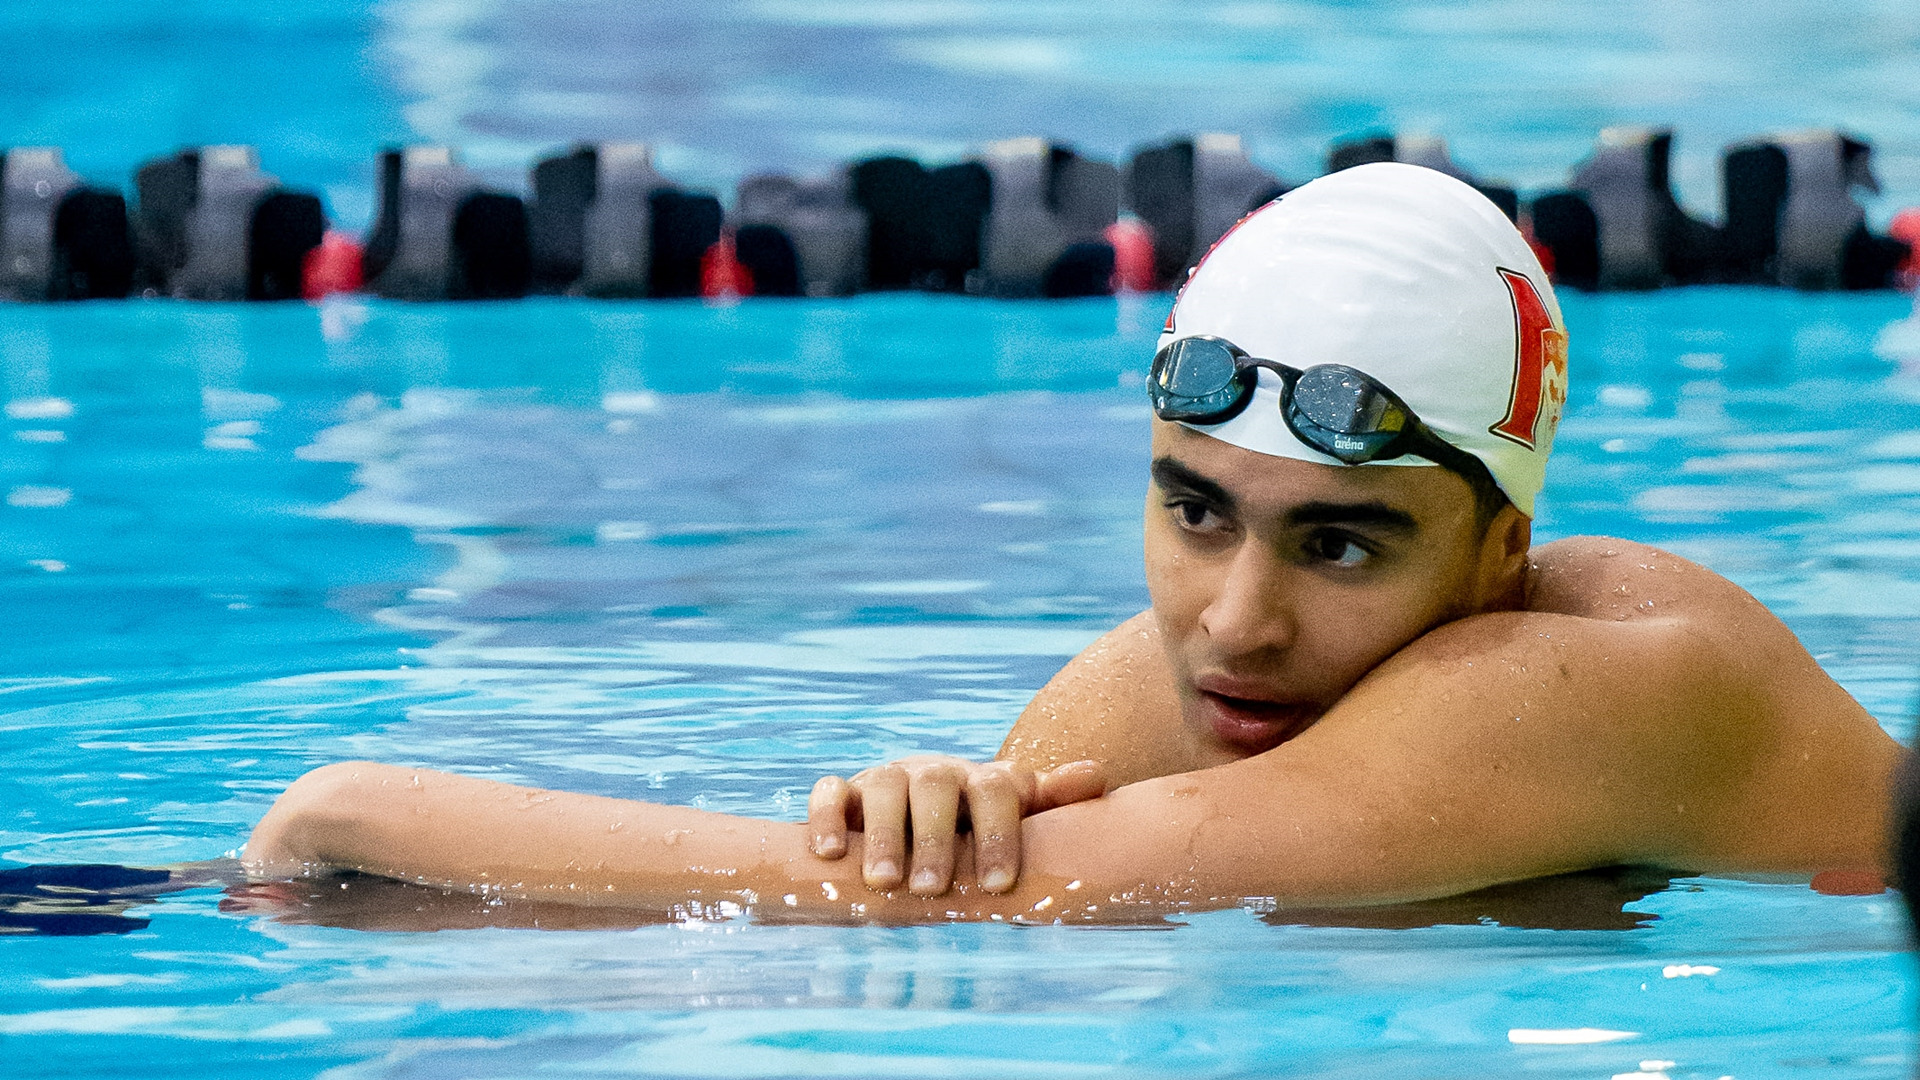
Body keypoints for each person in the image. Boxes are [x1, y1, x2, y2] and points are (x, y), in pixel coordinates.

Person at [244, 163, 1902, 923]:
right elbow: (942, 905)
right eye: (1195, 511)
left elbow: (861, 913)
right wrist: (923, 819)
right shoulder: (1156, 703)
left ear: (1496, 554)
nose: (1232, 625)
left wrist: (347, 809)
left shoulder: (1600, 686)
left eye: (1340, 548)